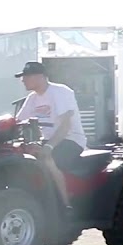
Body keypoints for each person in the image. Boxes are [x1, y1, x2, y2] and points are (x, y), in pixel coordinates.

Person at [13, 61, 87, 211]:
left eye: (26, 76)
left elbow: (65, 126)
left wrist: (48, 147)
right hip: (48, 140)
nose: (23, 80)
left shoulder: (60, 92)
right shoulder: (32, 98)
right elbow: (17, 122)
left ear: (40, 76)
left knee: (47, 158)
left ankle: (65, 204)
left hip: (70, 139)